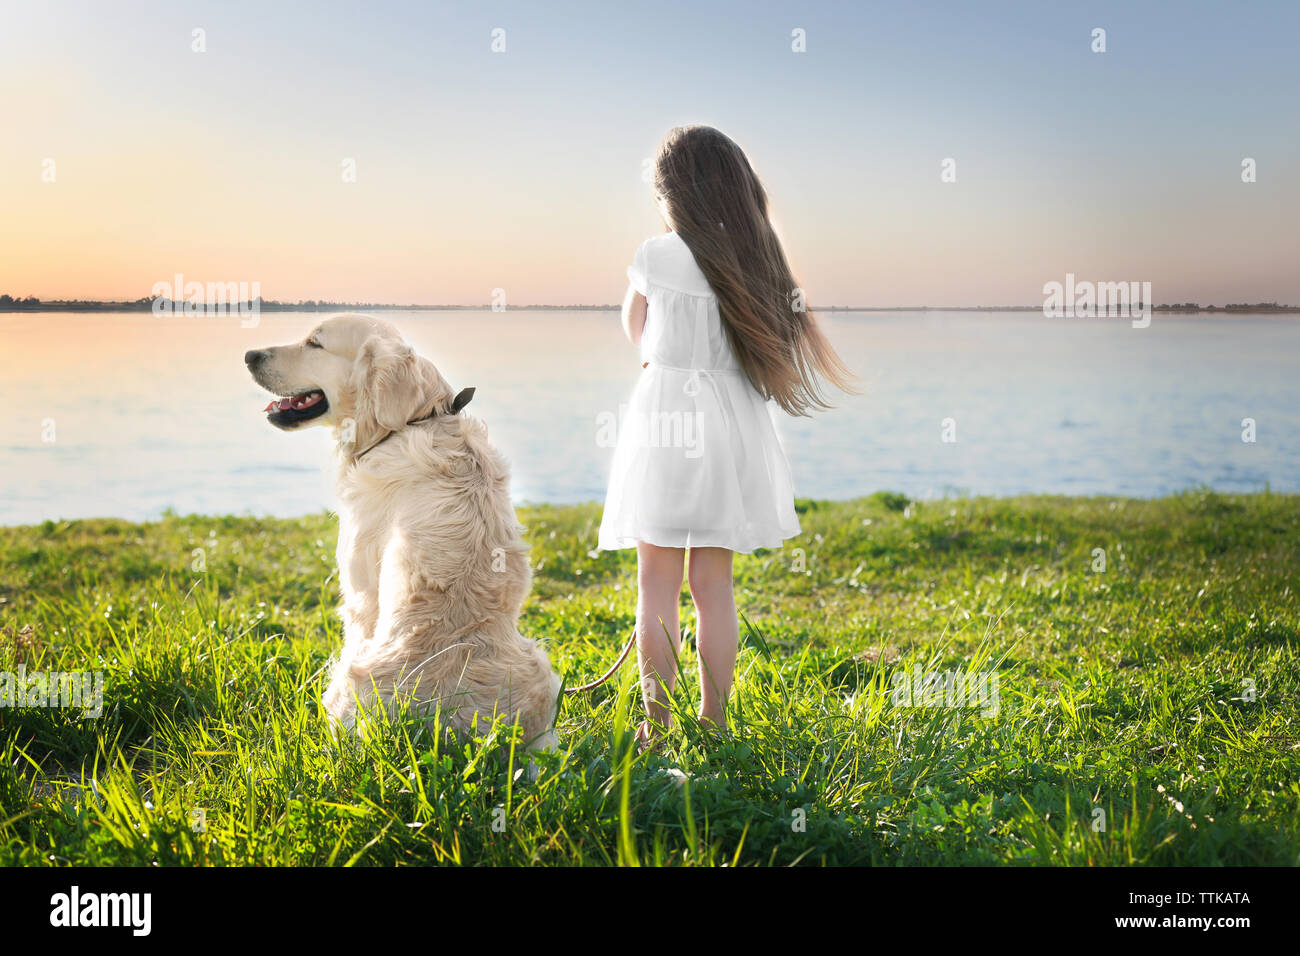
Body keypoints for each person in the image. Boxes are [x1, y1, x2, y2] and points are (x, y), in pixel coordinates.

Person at [598, 125, 856, 751]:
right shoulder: (756, 254)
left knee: (654, 583)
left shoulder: (656, 255)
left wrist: (663, 348)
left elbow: (635, 329)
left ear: (671, 194)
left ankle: (656, 724)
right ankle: (713, 722)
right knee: (714, 586)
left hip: (665, 418)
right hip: (729, 420)